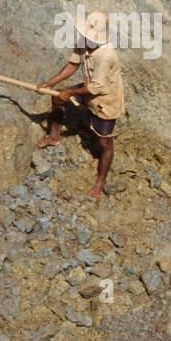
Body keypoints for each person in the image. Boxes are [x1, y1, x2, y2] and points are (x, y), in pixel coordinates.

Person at [37, 10, 124, 200]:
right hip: (89, 89)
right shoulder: (84, 42)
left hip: (105, 99)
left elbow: (96, 88)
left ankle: (100, 183)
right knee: (58, 98)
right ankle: (54, 136)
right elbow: (72, 65)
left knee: (104, 142)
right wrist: (50, 84)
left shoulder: (105, 55)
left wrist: (70, 92)